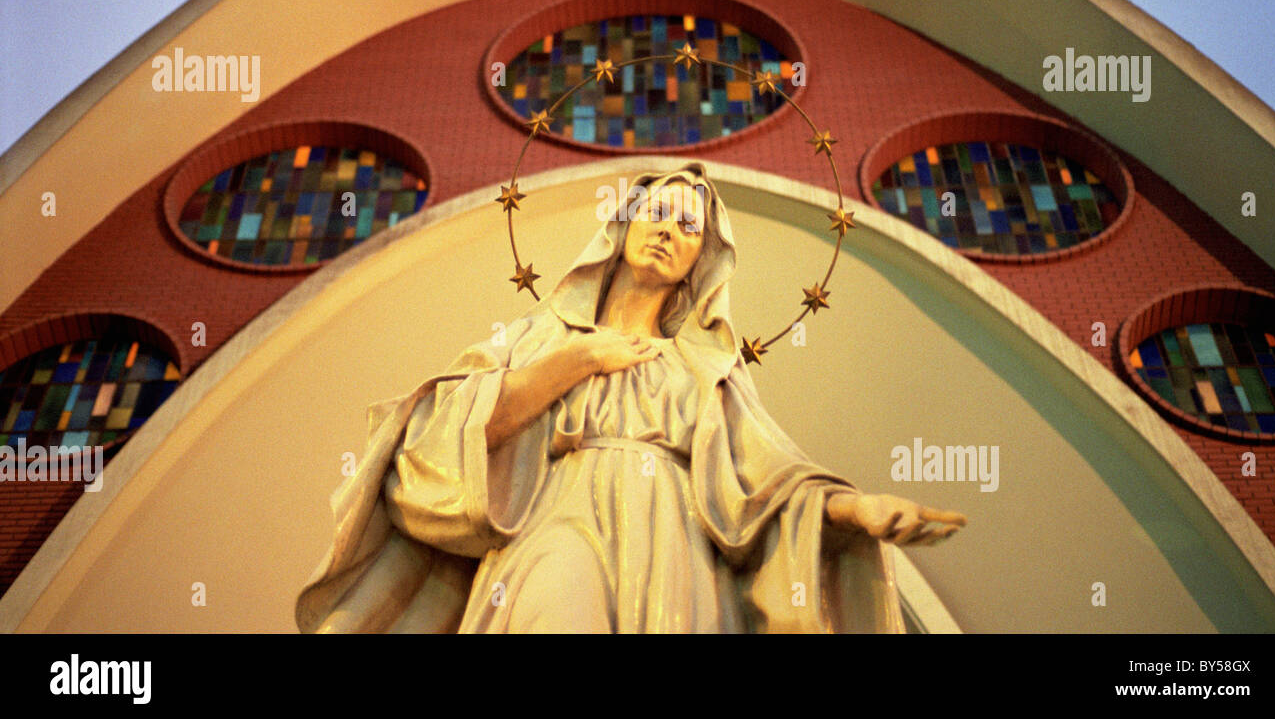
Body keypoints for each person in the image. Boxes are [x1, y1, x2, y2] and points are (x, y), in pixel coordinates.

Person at [296, 162, 965, 633]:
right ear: (621, 226)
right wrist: (578, 358)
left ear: (701, 263)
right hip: (558, 520)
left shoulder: (705, 370)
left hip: (677, 548)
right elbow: (438, 442)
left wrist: (856, 508)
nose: (671, 229)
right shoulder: (537, 336)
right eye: (658, 212)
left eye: (690, 226)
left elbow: (771, 478)